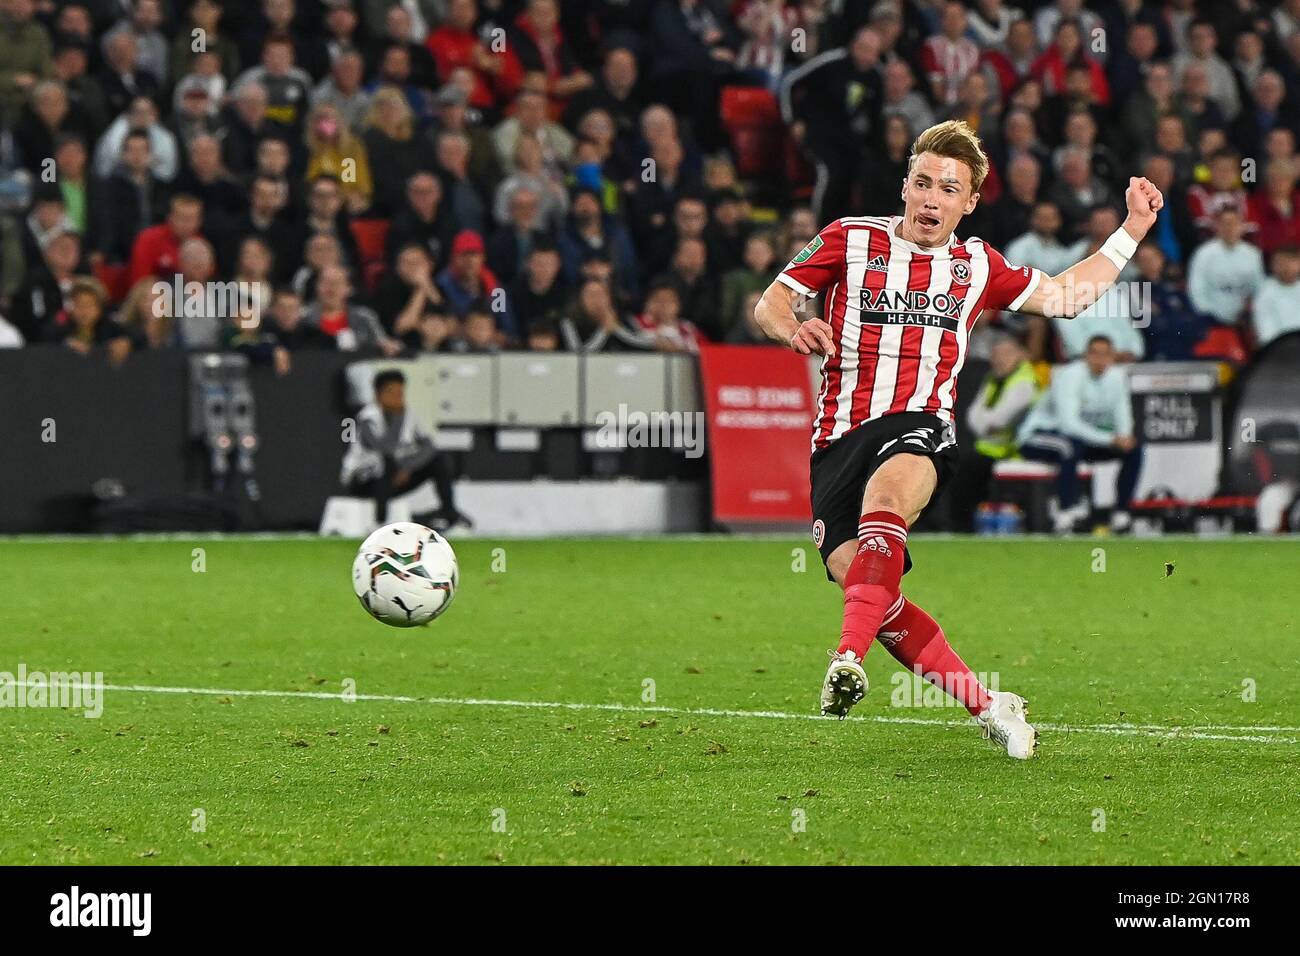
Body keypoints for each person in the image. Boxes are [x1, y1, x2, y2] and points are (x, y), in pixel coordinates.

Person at [752, 119, 1165, 758]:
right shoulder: (848, 240)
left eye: (948, 189)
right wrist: (793, 330)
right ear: (906, 186)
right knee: (866, 585)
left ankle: (845, 660)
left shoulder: (976, 266)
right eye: (922, 183)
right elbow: (771, 304)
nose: (931, 199)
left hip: (917, 423)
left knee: (886, 507)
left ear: (969, 202)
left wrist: (1132, 230)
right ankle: (988, 704)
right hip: (837, 437)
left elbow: (1066, 297)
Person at [1018, 335, 1143, 534]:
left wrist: (1124, 437)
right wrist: (1111, 439)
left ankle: (1122, 515)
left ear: (1112, 357)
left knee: (1133, 449)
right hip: (1038, 436)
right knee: (1069, 446)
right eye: (1095, 354)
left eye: (1105, 354)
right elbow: (1068, 425)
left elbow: (1123, 413)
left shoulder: (1117, 377)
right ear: (1086, 356)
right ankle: (1066, 514)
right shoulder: (1070, 375)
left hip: (1080, 440)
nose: (1099, 359)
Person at [341, 369, 470, 532]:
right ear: (378, 395)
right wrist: (398, 419)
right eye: (392, 393)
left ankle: (450, 516)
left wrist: (409, 466)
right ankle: (379, 523)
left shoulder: (409, 415)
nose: (398, 398)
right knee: (385, 465)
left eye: (400, 393)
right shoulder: (367, 417)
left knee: (438, 460)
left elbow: (429, 446)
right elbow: (385, 448)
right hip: (363, 480)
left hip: (398, 475)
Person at [947, 335, 1040, 530]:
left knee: (970, 470)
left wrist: (987, 423)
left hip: (1014, 448)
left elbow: (1001, 420)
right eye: (996, 354)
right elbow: (973, 416)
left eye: (1006, 354)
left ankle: (962, 525)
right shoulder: (993, 378)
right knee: (961, 464)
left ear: (1020, 356)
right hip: (990, 447)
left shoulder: (1024, 380)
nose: (999, 359)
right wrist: (987, 424)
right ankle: (961, 524)